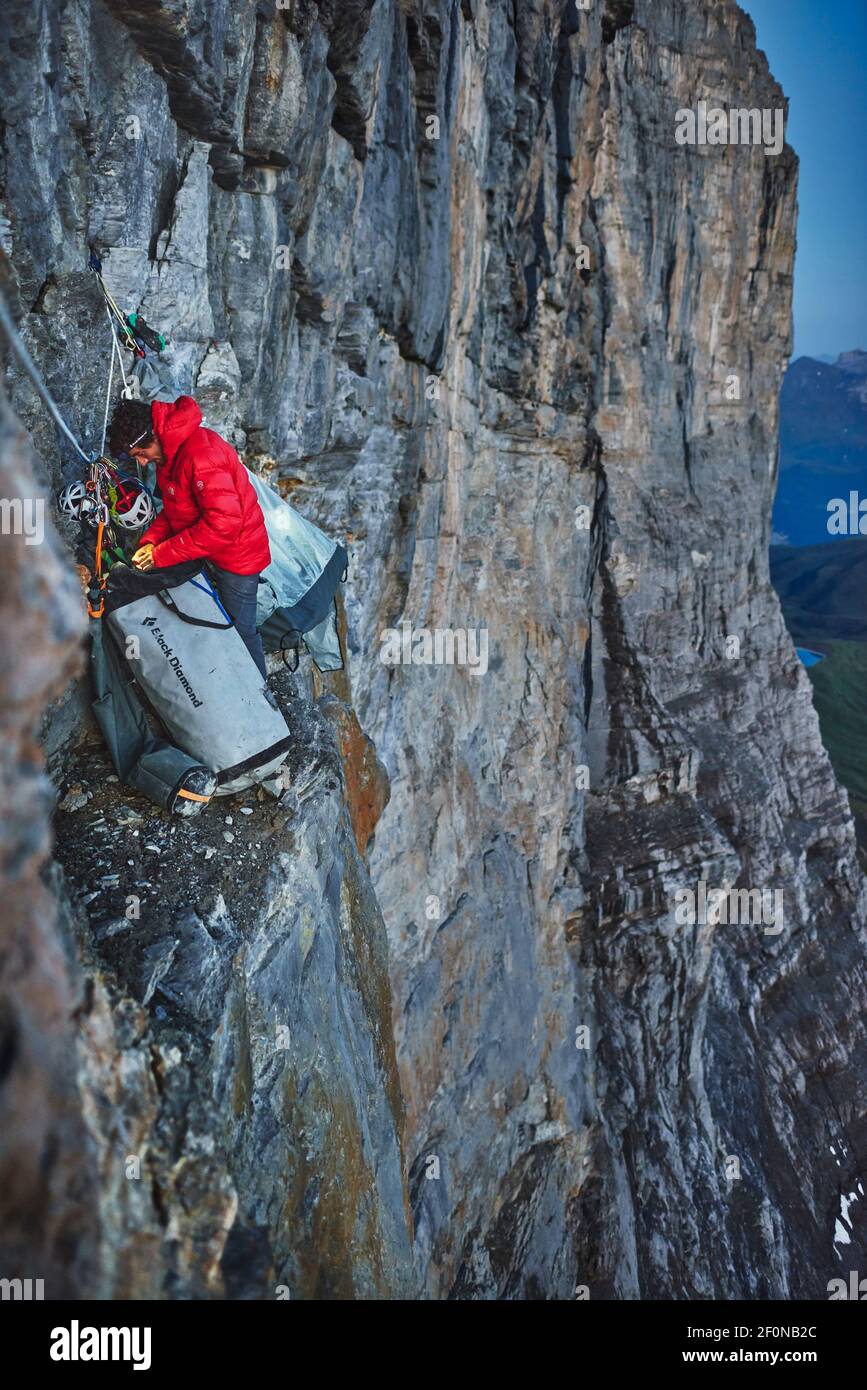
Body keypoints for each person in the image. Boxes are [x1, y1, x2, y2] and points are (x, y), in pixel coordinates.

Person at [108, 396, 271, 680]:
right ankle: (222, 683)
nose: (144, 462)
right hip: (211, 553)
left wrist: (160, 555)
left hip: (238, 559)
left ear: (154, 435)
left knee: (241, 631)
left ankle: (263, 698)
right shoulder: (171, 455)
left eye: (142, 453)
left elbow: (224, 525)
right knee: (217, 622)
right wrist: (150, 542)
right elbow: (175, 512)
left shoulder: (200, 456)